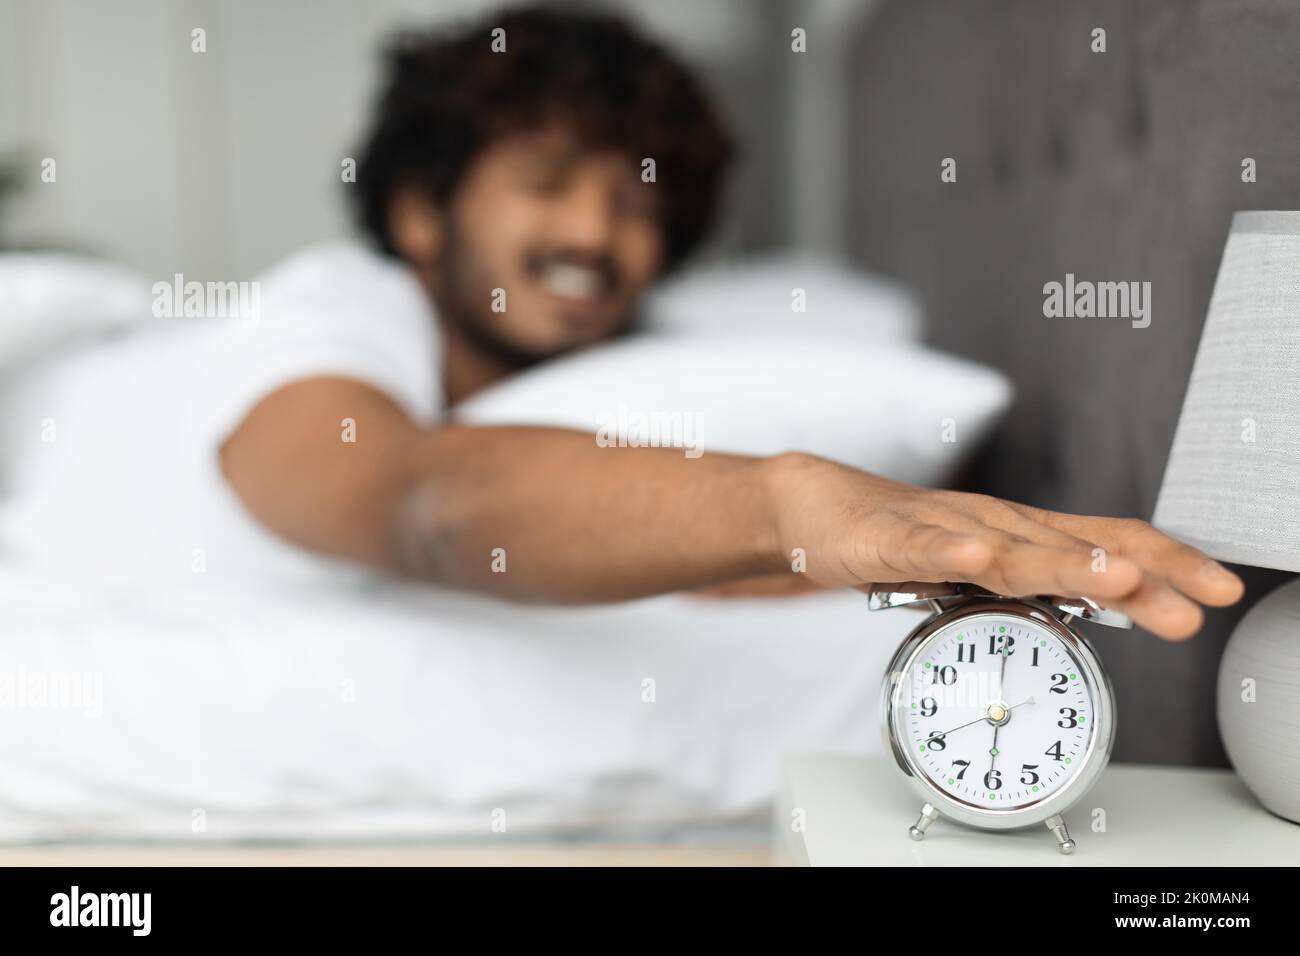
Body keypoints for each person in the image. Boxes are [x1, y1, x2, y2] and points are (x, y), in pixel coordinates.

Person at [218, 6, 1243, 638]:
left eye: (636, 203)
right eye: (546, 180)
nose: (594, 231)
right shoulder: (340, 304)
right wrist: (791, 504)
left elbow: (694, 571)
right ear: (418, 211)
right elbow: (423, 506)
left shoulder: (629, 372)